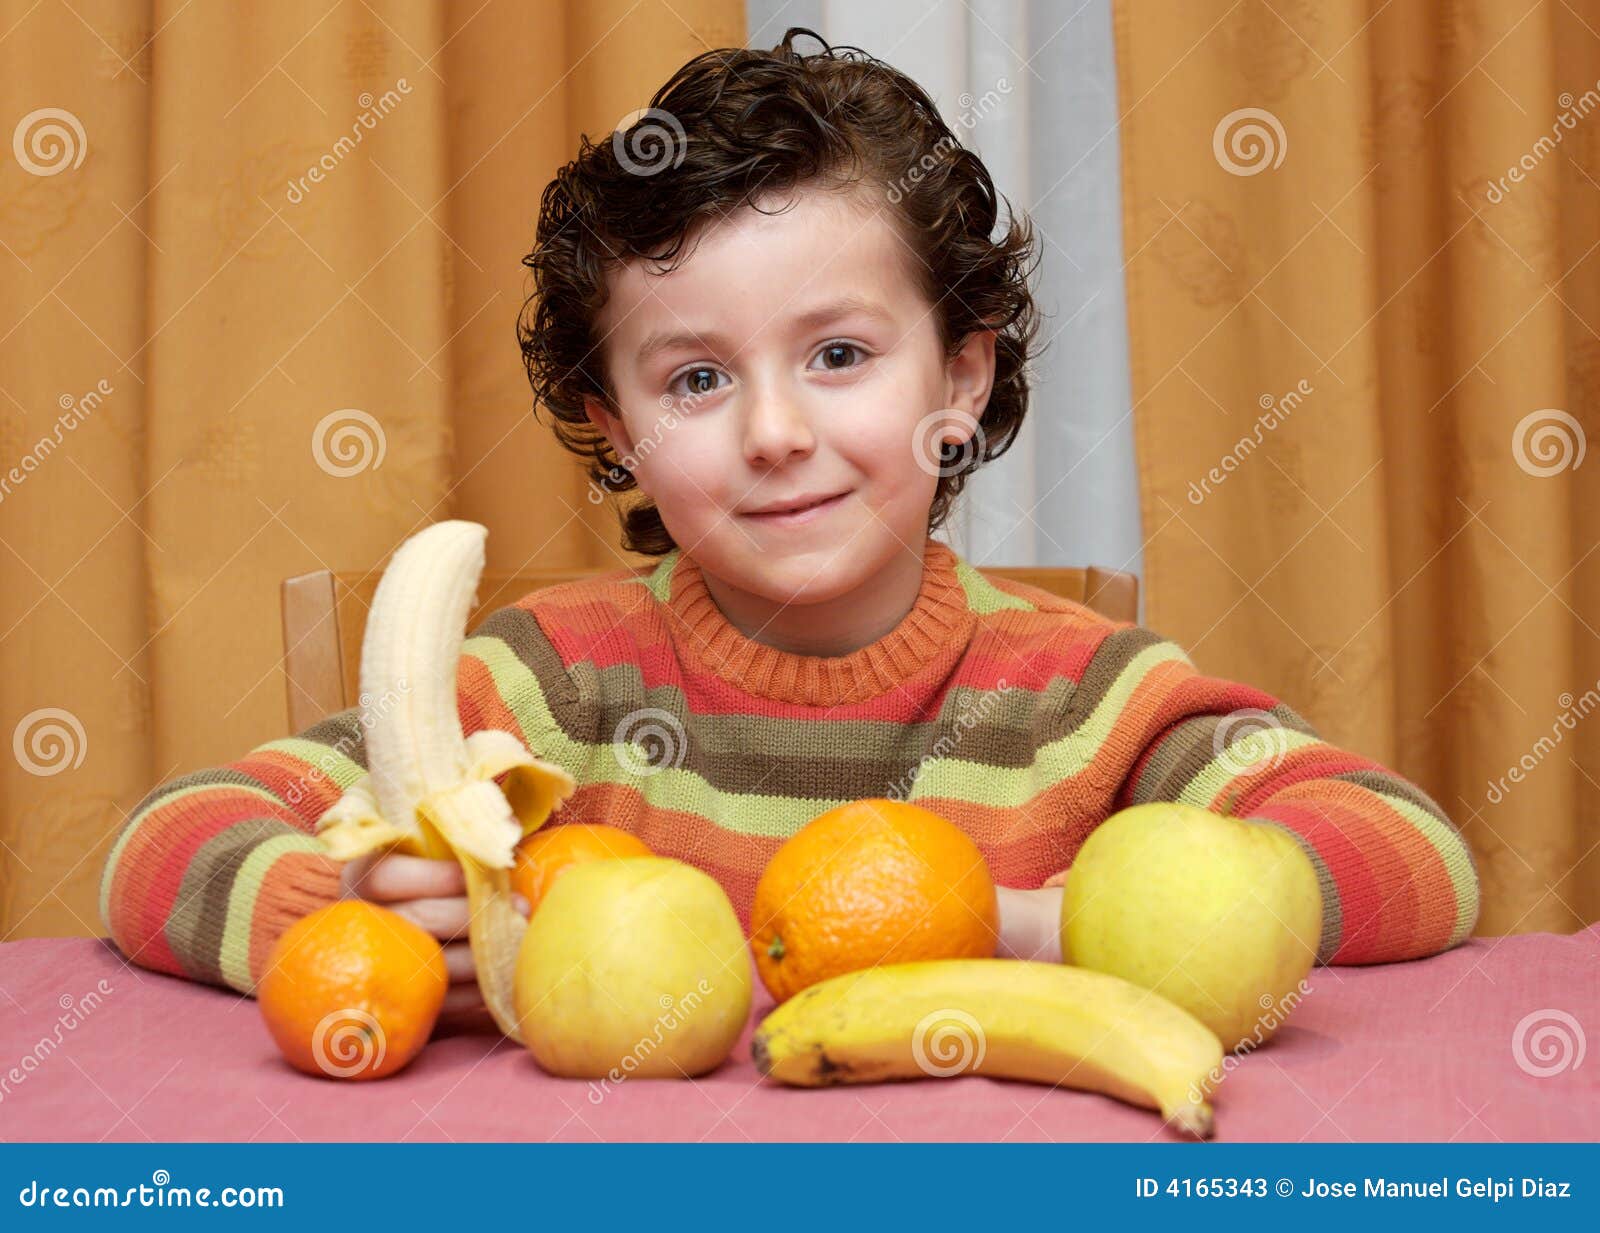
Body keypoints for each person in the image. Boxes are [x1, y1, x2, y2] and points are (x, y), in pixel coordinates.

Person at [100, 28, 1480, 1023]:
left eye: (837, 355)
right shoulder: (543, 687)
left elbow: (1412, 850)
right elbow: (170, 831)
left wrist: (1043, 923)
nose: (773, 431)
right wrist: (312, 904)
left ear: (959, 377)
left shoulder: (1086, 699)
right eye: (697, 378)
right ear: (619, 426)